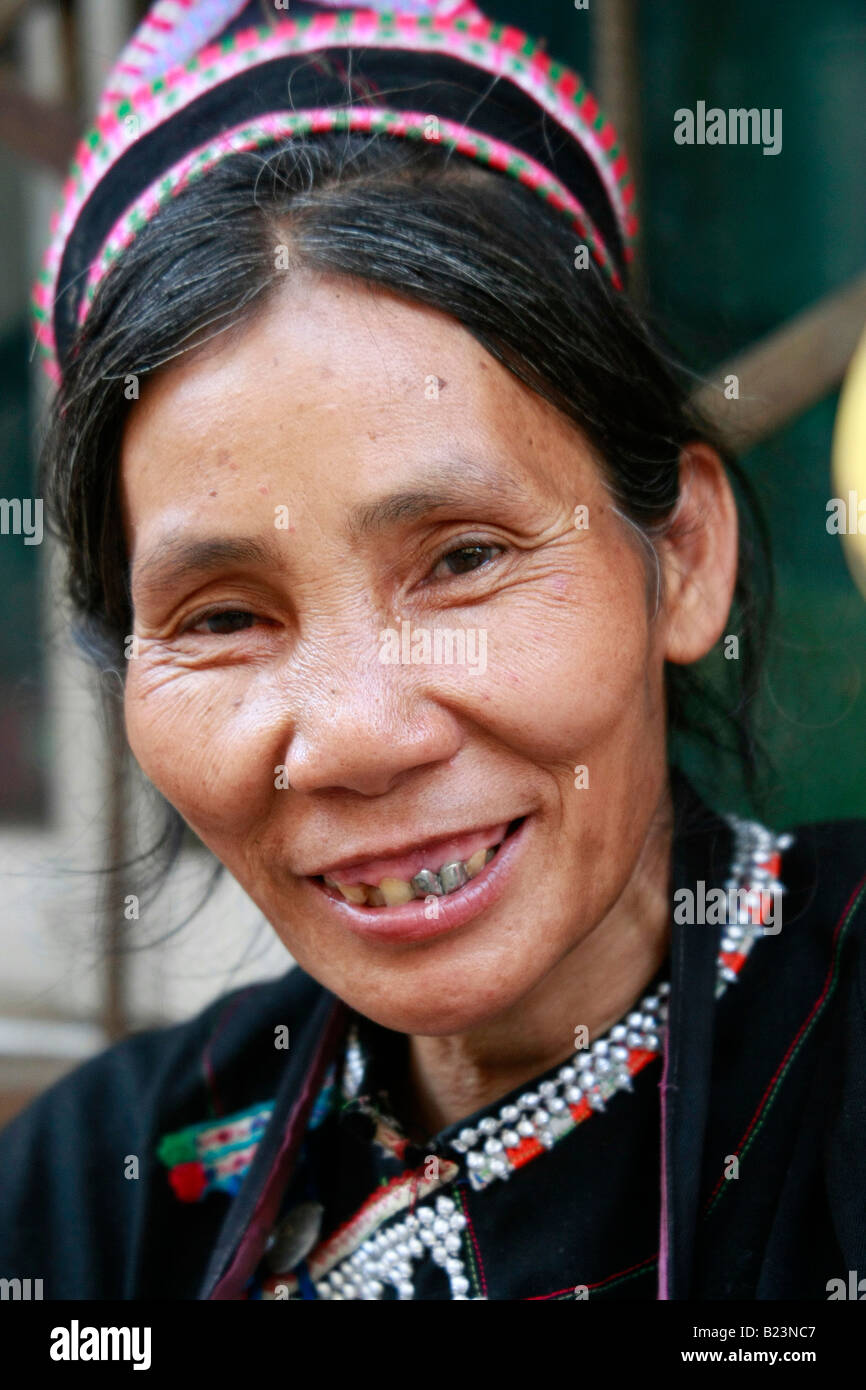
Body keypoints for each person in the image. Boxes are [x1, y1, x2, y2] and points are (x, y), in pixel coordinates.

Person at [4, 0, 864, 1301]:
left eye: (463, 557)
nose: (353, 734)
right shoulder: (96, 1185)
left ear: (680, 555)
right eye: (222, 617)